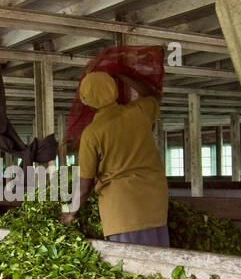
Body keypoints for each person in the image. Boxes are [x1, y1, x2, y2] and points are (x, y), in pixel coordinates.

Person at [61, 70, 169, 246]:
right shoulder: (140, 112)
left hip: (123, 209)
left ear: (86, 101)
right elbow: (155, 96)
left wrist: (71, 213)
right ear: (115, 91)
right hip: (156, 202)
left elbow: (84, 185)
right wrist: (126, 75)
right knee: (160, 261)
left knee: (130, 266)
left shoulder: (92, 133)